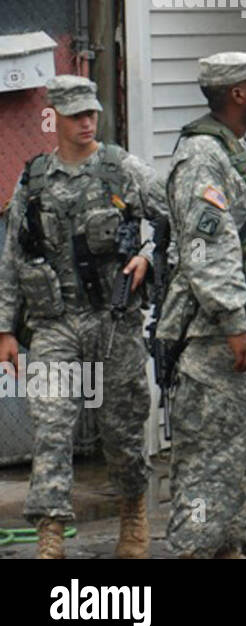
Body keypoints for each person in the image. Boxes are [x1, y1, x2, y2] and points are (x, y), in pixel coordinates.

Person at [0, 76, 166, 559]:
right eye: (76, 115)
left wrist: (149, 257)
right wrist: (6, 328)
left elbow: (170, 216)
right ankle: (51, 534)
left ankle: (133, 514)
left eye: (91, 112)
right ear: (55, 117)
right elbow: (12, 257)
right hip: (56, 325)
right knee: (51, 427)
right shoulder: (32, 180)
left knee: (122, 429)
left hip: (114, 322)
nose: (87, 122)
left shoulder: (124, 170)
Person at [157, 51, 246, 558]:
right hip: (216, 342)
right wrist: (235, 322)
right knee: (208, 464)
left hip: (242, 336)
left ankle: (230, 549)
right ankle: (196, 551)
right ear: (237, 93)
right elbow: (207, 251)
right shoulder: (202, 157)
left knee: (242, 461)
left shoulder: (235, 152)